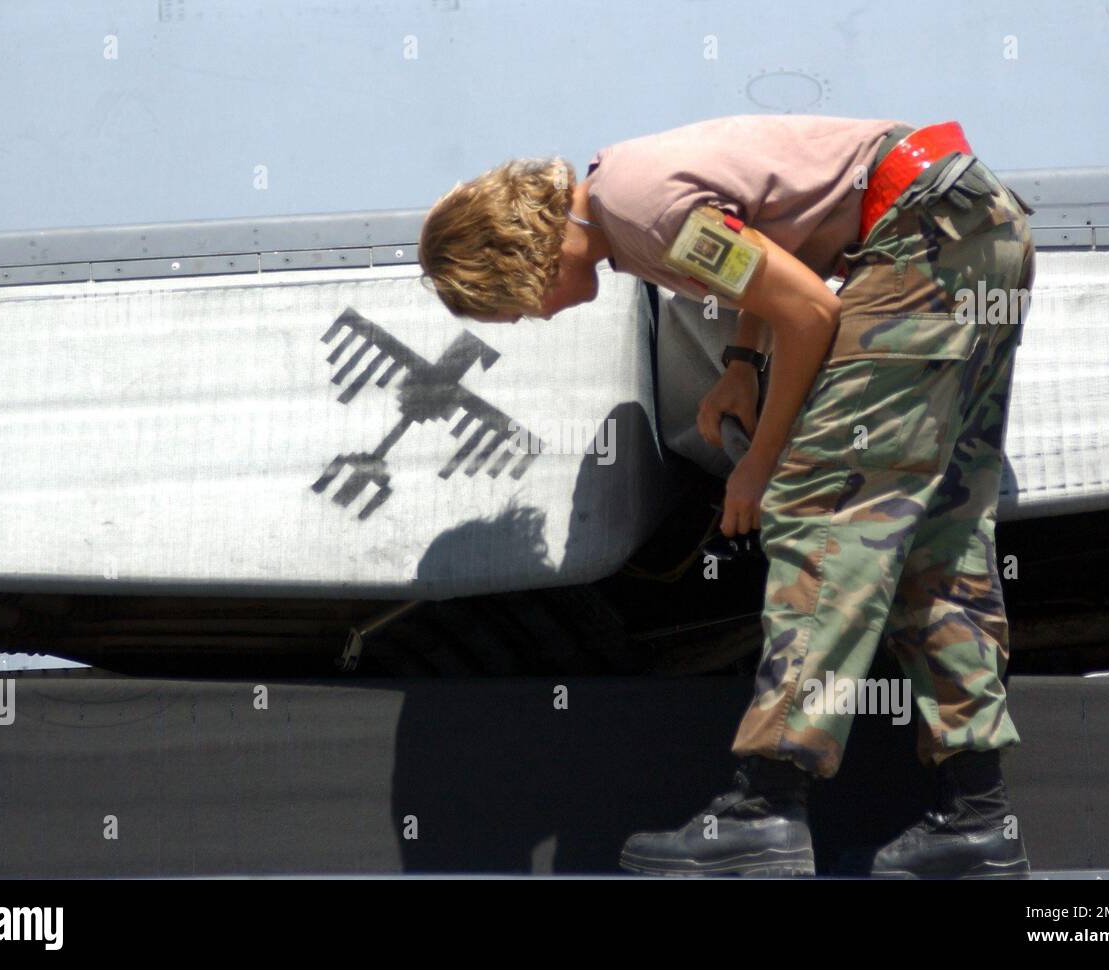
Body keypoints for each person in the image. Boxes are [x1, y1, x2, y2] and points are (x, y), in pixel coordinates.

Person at [418, 114, 1037, 878]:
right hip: (972, 229)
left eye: (514, 305)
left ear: (519, 260)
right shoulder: (629, 201)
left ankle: (767, 808)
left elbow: (811, 310)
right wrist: (742, 361)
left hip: (921, 234)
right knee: (938, 532)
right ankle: (975, 817)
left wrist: (761, 467)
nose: (535, 318)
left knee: (820, 514)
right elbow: (776, 263)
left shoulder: (639, 210)